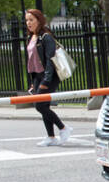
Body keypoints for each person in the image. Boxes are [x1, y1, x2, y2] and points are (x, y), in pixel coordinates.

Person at [24, 9, 73, 147]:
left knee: (39, 105)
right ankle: (51, 137)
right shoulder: (30, 38)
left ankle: (63, 128)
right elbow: (32, 61)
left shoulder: (46, 37)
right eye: (27, 20)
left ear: (39, 20)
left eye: (31, 20)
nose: (28, 23)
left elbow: (50, 60)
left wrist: (46, 81)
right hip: (37, 76)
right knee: (43, 106)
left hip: (49, 77)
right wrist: (33, 82)